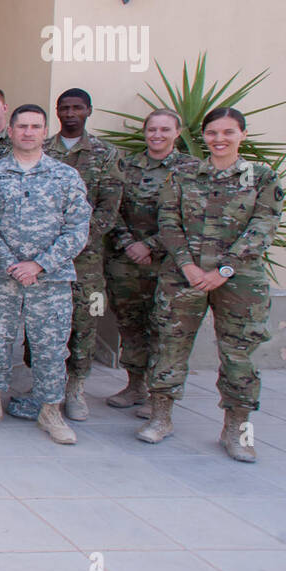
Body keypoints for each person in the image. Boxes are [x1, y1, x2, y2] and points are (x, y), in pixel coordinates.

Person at [140, 108, 283, 462]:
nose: (219, 139)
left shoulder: (261, 177)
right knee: (170, 345)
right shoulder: (183, 173)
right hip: (183, 275)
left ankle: (236, 430)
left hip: (240, 280)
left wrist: (225, 269)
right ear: (203, 136)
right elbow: (168, 220)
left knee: (239, 355)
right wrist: (187, 265)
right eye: (212, 133)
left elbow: (263, 226)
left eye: (228, 132)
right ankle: (161, 417)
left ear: (242, 135)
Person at [0, 104, 91, 445]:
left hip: (50, 279)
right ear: (10, 131)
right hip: (1, 276)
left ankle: (50, 411)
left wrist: (39, 264)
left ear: (45, 132)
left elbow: (77, 228)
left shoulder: (65, 176)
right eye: (21, 126)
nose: (28, 132)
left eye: (35, 126)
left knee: (51, 346)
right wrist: (11, 263)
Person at [104, 109, 198, 413]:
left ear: (177, 132)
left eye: (165, 130)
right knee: (130, 323)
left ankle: (160, 397)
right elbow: (111, 208)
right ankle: (135, 386)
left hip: (170, 262)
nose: (157, 135)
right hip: (126, 261)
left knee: (165, 328)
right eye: (152, 129)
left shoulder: (191, 169)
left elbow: (192, 217)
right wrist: (130, 244)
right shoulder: (126, 165)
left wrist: (150, 246)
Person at [44, 88, 122, 421]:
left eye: (77, 108)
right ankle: (45, 384)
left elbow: (109, 207)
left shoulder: (105, 154)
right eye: (64, 108)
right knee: (45, 323)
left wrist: (77, 240)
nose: (70, 113)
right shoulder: (43, 150)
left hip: (86, 258)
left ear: (89, 110)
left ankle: (75, 386)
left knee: (85, 322)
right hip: (45, 257)